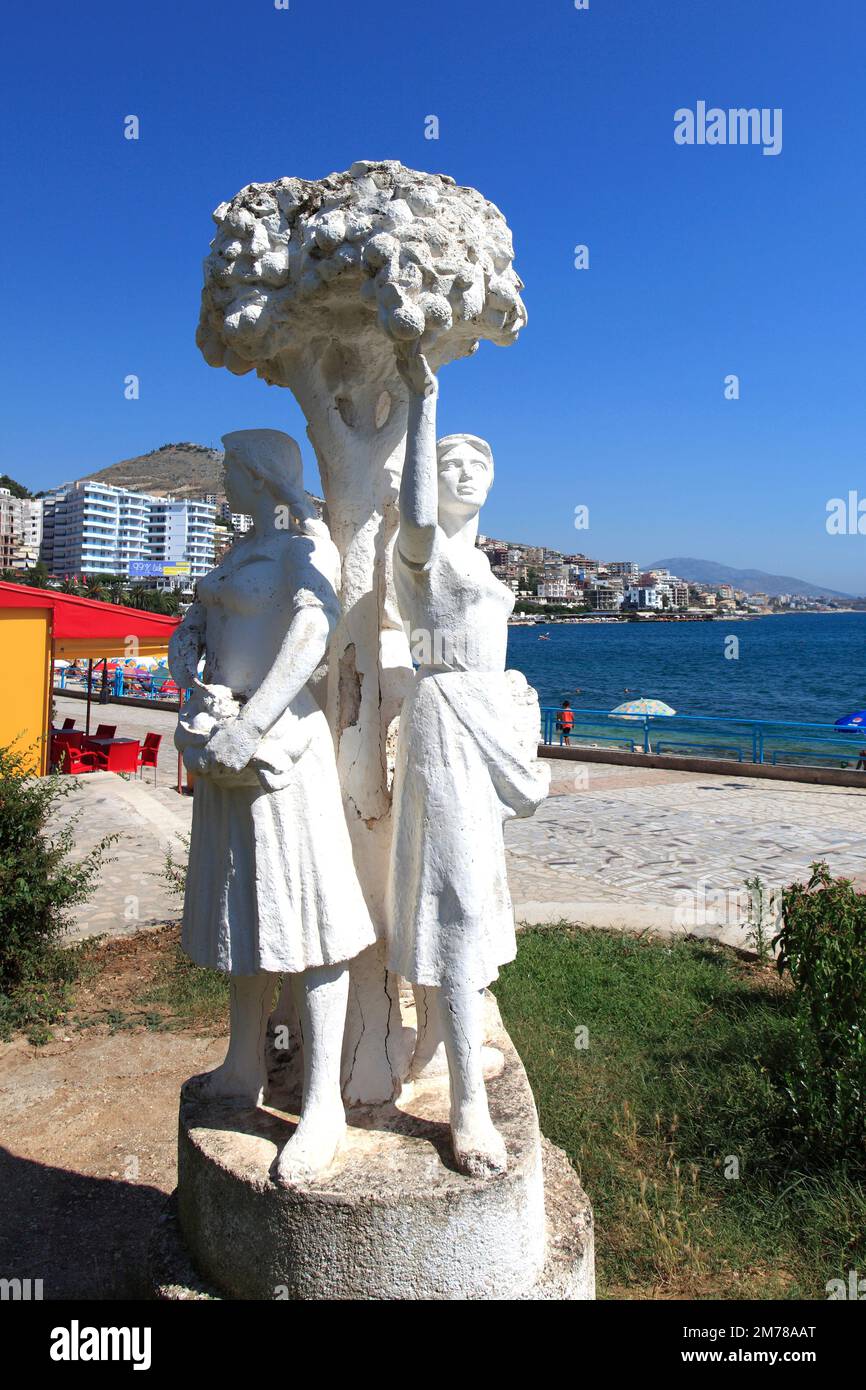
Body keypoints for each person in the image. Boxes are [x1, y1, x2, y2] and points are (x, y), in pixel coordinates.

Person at [169, 429, 376, 1185]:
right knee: (245, 912)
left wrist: (254, 721)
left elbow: (314, 631)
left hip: (278, 747)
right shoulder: (233, 555)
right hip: (223, 743)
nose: (223, 479)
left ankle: (323, 1103)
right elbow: (202, 625)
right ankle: (243, 1062)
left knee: (310, 916)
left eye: (231, 469)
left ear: (260, 477)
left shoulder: (303, 547)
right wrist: (188, 661)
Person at [387, 346, 549, 1179]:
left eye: (479, 461)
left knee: (475, 888)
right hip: (446, 717)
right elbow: (416, 508)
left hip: (485, 720)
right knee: (450, 894)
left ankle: (435, 1046)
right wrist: (426, 402)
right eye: (453, 460)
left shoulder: (482, 561)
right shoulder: (427, 554)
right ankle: (465, 1106)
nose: (466, 468)